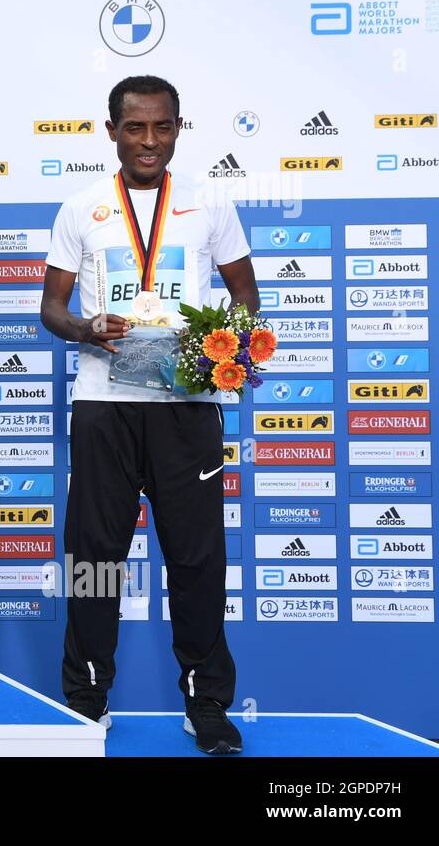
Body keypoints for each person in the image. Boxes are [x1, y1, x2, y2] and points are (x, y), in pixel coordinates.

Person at [40, 75, 259, 754]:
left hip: (186, 409)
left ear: (178, 129)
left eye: (162, 127)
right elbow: (51, 309)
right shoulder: (81, 208)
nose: (149, 141)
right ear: (111, 132)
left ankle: (206, 701)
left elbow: (245, 299)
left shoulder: (208, 203)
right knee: (95, 558)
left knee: (196, 559)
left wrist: (227, 351)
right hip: (105, 405)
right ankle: (87, 700)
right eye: (135, 127)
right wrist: (85, 331)